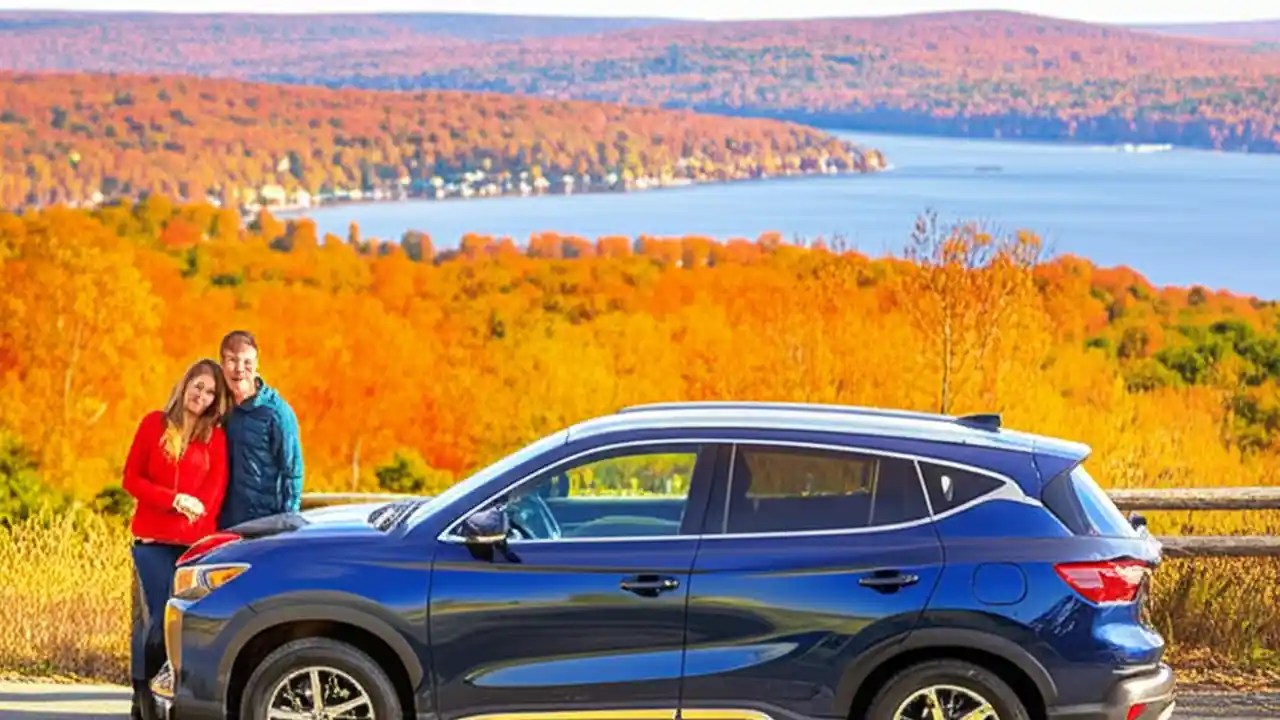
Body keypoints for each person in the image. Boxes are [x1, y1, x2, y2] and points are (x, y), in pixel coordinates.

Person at [122, 359, 230, 720]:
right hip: (151, 542)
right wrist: (173, 500)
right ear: (185, 386)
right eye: (197, 386)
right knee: (155, 620)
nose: (201, 395)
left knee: (182, 623)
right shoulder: (154, 424)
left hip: (193, 546)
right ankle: (144, 693)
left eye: (210, 391)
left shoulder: (215, 439)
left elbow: (213, 496)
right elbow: (132, 480)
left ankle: (168, 694)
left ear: (216, 401)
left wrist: (194, 523)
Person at [216, 329, 305, 530]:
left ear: (257, 366)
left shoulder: (276, 412)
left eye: (247, 362)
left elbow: (292, 471)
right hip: (224, 524)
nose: (239, 369)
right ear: (222, 365)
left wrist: (288, 520)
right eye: (232, 360)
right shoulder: (218, 406)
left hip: (264, 524)